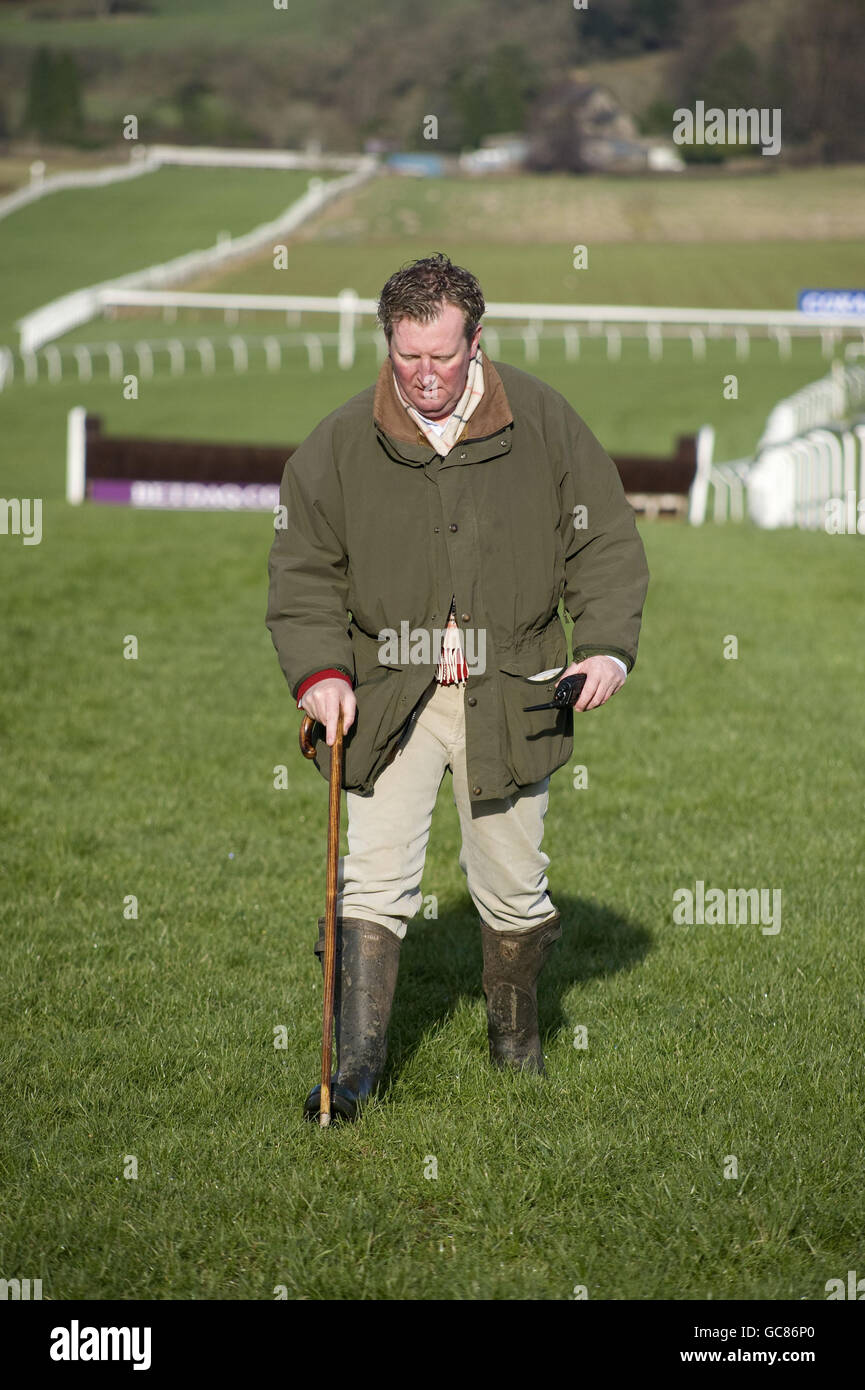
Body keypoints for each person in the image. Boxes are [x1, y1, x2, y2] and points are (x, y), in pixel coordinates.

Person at [266, 253, 649, 1121]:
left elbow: (606, 543)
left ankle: (515, 1048)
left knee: (513, 887)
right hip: (386, 694)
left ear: (477, 342)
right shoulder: (336, 444)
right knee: (371, 879)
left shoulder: (546, 423)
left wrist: (606, 648)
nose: (424, 377)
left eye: (442, 356)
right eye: (407, 357)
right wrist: (321, 674)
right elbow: (302, 573)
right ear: (387, 342)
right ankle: (355, 1072)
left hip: (511, 694)